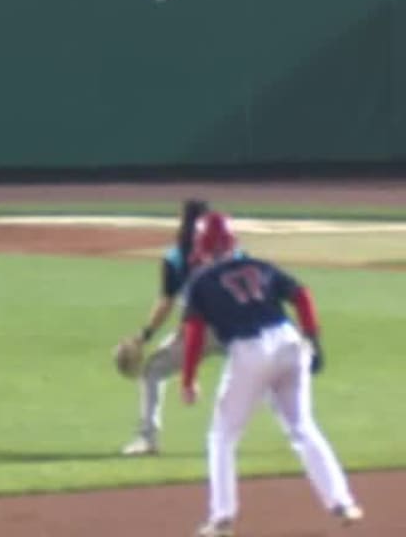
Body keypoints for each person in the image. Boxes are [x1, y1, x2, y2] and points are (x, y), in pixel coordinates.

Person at [179, 212, 364, 536]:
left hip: (249, 352)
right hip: (289, 343)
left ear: (202, 246)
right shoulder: (261, 266)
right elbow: (302, 295)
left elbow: (194, 332)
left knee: (222, 436)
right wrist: (313, 340)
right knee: (303, 427)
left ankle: (222, 518)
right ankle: (342, 502)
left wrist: (188, 379)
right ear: (232, 241)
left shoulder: (201, 283)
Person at [118, 200, 216, 457]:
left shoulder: (176, 256)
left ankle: (148, 439)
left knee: (153, 371)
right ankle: (299, 433)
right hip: (241, 329)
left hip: (198, 331)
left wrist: (144, 335)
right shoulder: (233, 251)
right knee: (266, 374)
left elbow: (166, 302)